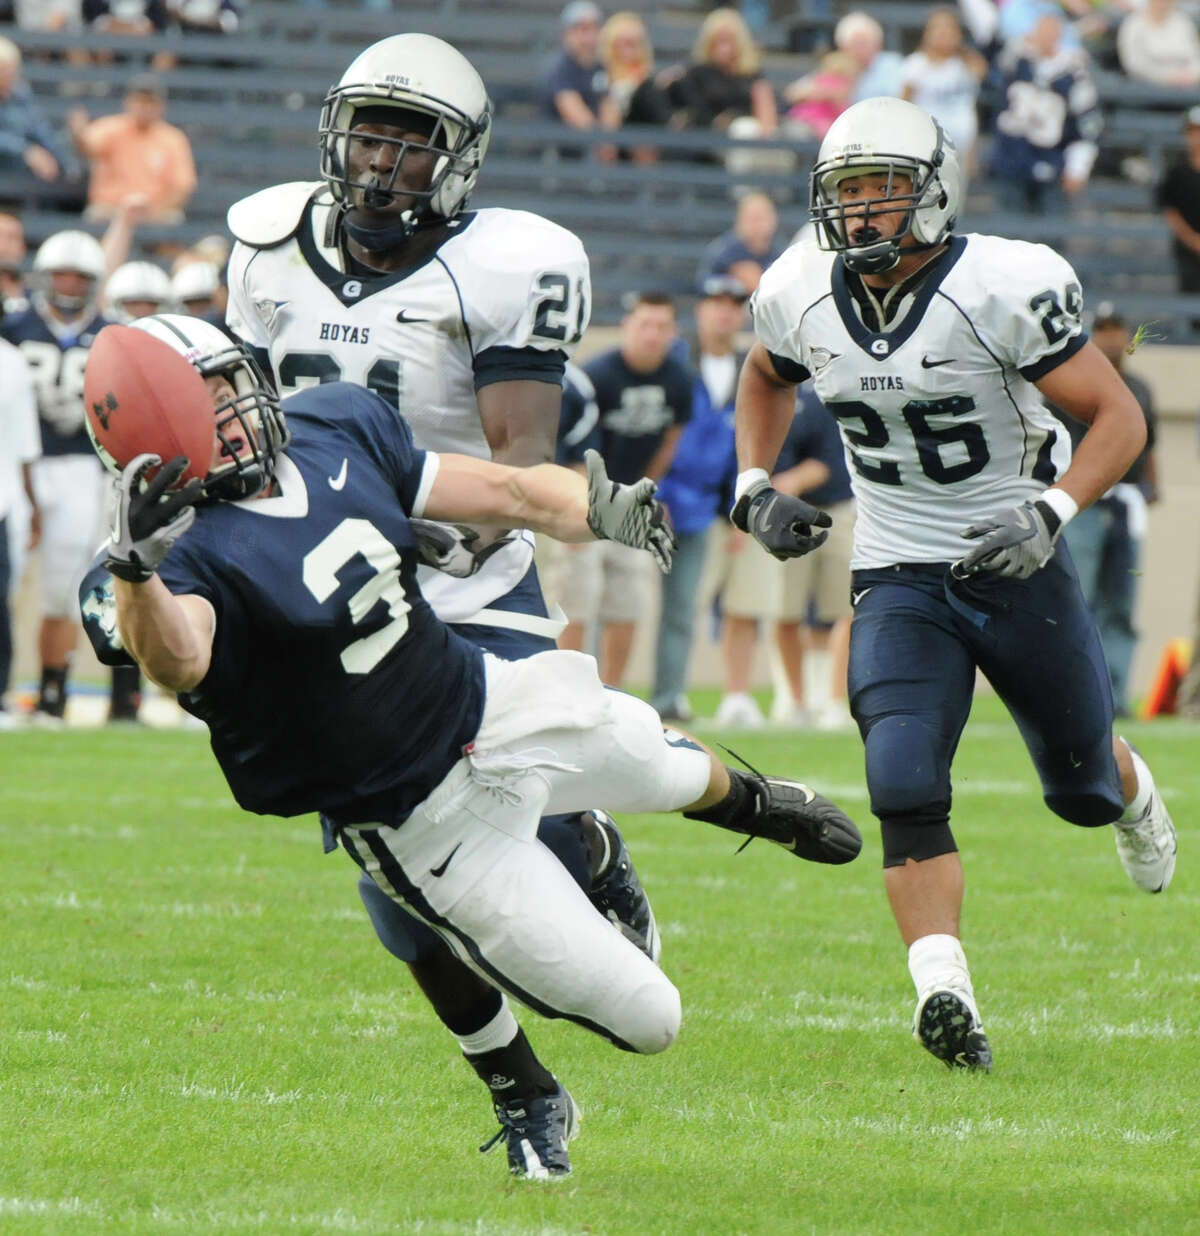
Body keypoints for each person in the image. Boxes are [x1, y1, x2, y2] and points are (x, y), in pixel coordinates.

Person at [87, 311, 862, 1177]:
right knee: (651, 1019)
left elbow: (507, 492)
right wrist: (135, 570)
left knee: (658, 759)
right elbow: (179, 657)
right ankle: (531, 1086)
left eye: (229, 388)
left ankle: (756, 804)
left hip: (486, 697)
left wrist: (597, 506)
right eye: (203, 406)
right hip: (419, 822)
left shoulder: (333, 424)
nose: (233, 413)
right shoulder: (159, 564)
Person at [219, 31, 684, 1171]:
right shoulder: (265, 250)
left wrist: (433, 525)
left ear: (460, 159)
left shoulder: (509, 263)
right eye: (369, 133)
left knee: (506, 821)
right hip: (329, 604)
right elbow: (233, 432)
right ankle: (524, 1091)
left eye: (411, 142)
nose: (381, 163)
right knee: (402, 900)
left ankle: (587, 839)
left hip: (469, 580)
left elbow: (522, 456)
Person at [732, 96, 1177, 1072]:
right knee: (900, 777)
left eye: (882, 191)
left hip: (1016, 558)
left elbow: (1119, 419)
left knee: (1081, 793)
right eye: (846, 194)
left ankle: (1132, 791)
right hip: (895, 566)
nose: (860, 214)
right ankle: (945, 993)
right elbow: (764, 378)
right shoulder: (798, 288)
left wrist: (1050, 512)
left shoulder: (1006, 284)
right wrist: (752, 485)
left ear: (934, 194)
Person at [1, 228, 142, 723]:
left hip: (82, 464)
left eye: (79, 275)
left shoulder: (111, 330)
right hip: (17, 461)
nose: (68, 283)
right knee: (8, 578)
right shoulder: (15, 325)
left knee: (62, 586)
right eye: (60, 272)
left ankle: (50, 695)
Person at [560, 291, 693, 685]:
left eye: (661, 327)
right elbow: (569, 445)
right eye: (645, 325)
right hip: (586, 499)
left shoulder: (679, 378)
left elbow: (671, 438)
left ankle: (613, 692)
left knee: (628, 602)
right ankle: (571, 691)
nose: (652, 335)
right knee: (577, 599)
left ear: (673, 332)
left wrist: (646, 491)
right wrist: (577, 508)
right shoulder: (594, 376)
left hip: (631, 502)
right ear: (627, 327)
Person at [1053, 304, 1158, 717]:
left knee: (1122, 602)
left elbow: (1150, 444)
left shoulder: (1143, 388)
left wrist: (1154, 487)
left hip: (1128, 500)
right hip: (1085, 504)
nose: (1111, 339)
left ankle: (1115, 694)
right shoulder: (1070, 385)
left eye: (1116, 330)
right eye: (1103, 330)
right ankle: (1079, 694)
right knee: (1081, 599)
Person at [651, 274, 748, 723]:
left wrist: (733, 513)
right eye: (715, 302)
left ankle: (669, 696)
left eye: (733, 304)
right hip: (650, 499)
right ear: (700, 310)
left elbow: (742, 446)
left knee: (682, 607)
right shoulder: (672, 360)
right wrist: (653, 491)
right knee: (619, 606)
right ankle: (602, 691)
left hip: (698, 511)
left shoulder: (749, 369)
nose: (724, 311)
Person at [769, 381, 855, 729]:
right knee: (785, 611)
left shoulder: (830, 389)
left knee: (845, 612)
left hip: (835, 508)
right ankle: (797, 700)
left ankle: (834, 701)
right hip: (785, 514)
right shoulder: (774, 387)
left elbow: (827, 463)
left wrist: (791, 479)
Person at [988, 12, 1102, 214]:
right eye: (1042, 31)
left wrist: (1078, 167)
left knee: (1051, 237)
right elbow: (991, 54)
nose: (1045, 37)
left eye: (1052, 32)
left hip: (1052, 161)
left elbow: (1088, 124)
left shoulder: (1075, 73)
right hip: (1011, 160)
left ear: (1061, 35)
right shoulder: (1016, 61)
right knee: (1007, 234)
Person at [67, 73, 197, 222]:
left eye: (150, 102)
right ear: (128, 102)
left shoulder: (173, 138)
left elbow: (182, 186)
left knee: (173, 219)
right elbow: (87, 147)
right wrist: (77, 134)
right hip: (111, 209)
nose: (144, 108)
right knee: (96, 215)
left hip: (155, 213)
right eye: (140, 101)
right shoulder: (111, 128)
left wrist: (156, 211)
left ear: (161, 106)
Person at [0, 334, 40, 728]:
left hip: (3, 497)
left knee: (0, 603)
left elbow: (26, 444)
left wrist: (32, 503)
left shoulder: (11, 361)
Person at [900, 7, 986, 175]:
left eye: (949, 28)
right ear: (927, 33)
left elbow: (977, 84)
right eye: (938, 28)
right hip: (925, 148)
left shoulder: (967, 63)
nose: (944, 33)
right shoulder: (915, 65)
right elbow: (904, 106)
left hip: (961, 146)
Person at [537, 0, 613, 157]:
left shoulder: (600, 66)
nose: (589, 37)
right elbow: (576, 117)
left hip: (595, 146)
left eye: (594, 28)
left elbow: (608, 106)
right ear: (567, 33)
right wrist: (603, 141)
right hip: (563, 147)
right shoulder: (560, 68)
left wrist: (609, 140)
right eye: (582, 29)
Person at [0, 36, 70, 190]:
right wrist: (26, 150)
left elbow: (40, 128)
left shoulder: (20, 94)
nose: (9, 76)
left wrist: (61, 161)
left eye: (12, 70)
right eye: (4, 71)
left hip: (25, 179)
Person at [697, 191, 785, 296]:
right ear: (739, 220)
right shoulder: (723, 250)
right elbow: (704, 284)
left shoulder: (782, 255)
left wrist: (760, 283)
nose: (758, 225)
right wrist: (735, 282)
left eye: (762, 218)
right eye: (753, 218)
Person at [1156, 106, 1200, 296]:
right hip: (1187, 252)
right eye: (1192, 131)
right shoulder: (1177, 173)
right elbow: (1170, 210)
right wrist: (1193, 240)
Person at [1116, 0, 1200, 88]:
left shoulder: (1183, 22)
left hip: (1188, 85)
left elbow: (1195, 56)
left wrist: (1192, 74)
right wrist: (1168, 76)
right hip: (1148, 88)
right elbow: (1134, 63)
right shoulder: (1133, 24)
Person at [835, 11, 904, 103]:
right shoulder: (836, 68)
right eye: (854, 45)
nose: (858, 50)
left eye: (863, 44)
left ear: (878, 44)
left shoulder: (893, 65)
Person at [104, 258, 172, 322]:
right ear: (118, 304)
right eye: (134, 303)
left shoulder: (168, 334)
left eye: (152, 304)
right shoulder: (100, 332)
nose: (143, 310)